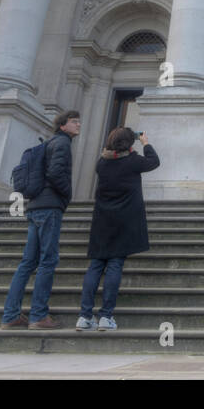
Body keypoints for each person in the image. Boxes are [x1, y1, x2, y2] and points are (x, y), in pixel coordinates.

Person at [0, 110, 78, 330]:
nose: (78, 125)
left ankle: (10, 315)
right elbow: (55, 174)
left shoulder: (49, 144)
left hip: (35, 207)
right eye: (74, 121)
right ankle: (38, 316)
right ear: (62, 125)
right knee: (48, 261)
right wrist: (66, 195)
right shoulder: (62, 143)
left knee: (27, 262)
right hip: (49, 207)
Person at [76, 127, 159, 331]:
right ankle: (105, 316)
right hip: (123, 220)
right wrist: (145, 142)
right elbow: (154, 162)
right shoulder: (132, 162)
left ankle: (84, 316)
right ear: (129, 143)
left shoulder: (102, 163)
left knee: (95, 265)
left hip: (102, 220)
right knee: (114, 265)